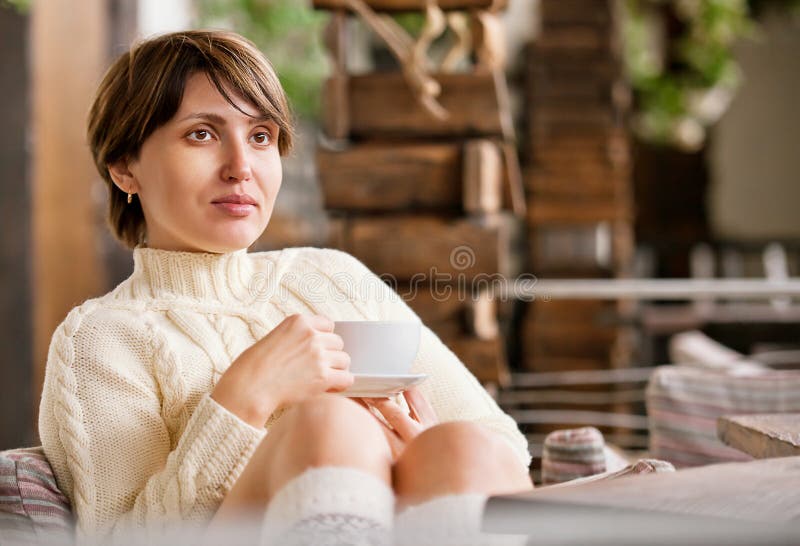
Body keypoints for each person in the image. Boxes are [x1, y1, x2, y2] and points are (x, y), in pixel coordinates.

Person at [37, 30, 532, 544]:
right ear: (124, 168)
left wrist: (412, 453)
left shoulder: (331, 277)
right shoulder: (99, 339)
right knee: (327, 424)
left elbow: (504, 448)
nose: (241, 168)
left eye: (260, 137)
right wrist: (243, 398)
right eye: (202, 134)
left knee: (461, 447)